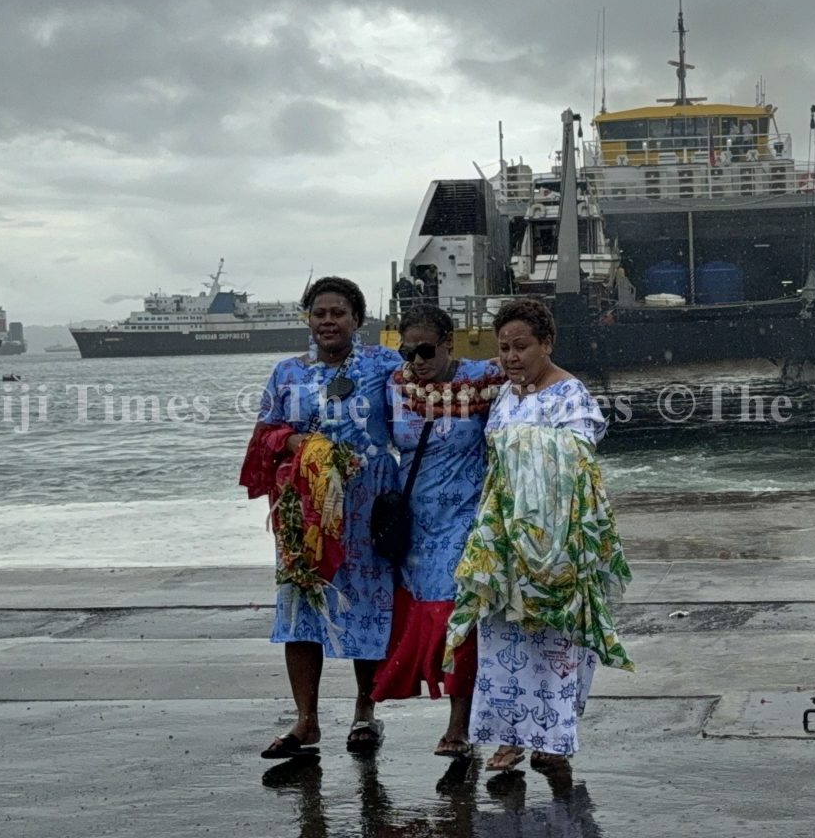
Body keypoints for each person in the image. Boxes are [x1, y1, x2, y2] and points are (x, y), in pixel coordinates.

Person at [444, 298, 633, 773]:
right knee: (504, 636)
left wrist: (522, 446)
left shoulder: (570, 394)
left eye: (521, 347)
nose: (510, 357)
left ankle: (554, 736)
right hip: (506, 533)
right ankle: (510, 737)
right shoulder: (509, 395)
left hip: (558, 535)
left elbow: (578, 454)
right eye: (503, 347)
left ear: (547, 343)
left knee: (556, 639)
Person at [239, 276, 403, 758]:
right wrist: (293, 443)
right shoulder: (286, 372)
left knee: (368, 606)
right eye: (319, 313)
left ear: (358, 318)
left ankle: (365, 713)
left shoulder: (384, 364)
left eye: (338, 313)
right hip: (304, 510)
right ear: (308, 319)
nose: (328, 321)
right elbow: (265, 431)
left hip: (367, 503)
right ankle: (305, 720)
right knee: (301, 608)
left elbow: (421, 411)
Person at [371, 304, 505, 758]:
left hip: (466, 517)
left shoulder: (485, 381)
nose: (417, 360)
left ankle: (458, 727)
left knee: (458, 616)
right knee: (421, 616)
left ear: (450, 341)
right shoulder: (397, 386)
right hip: (417, 523)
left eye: (426, 349)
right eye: (407, 352)